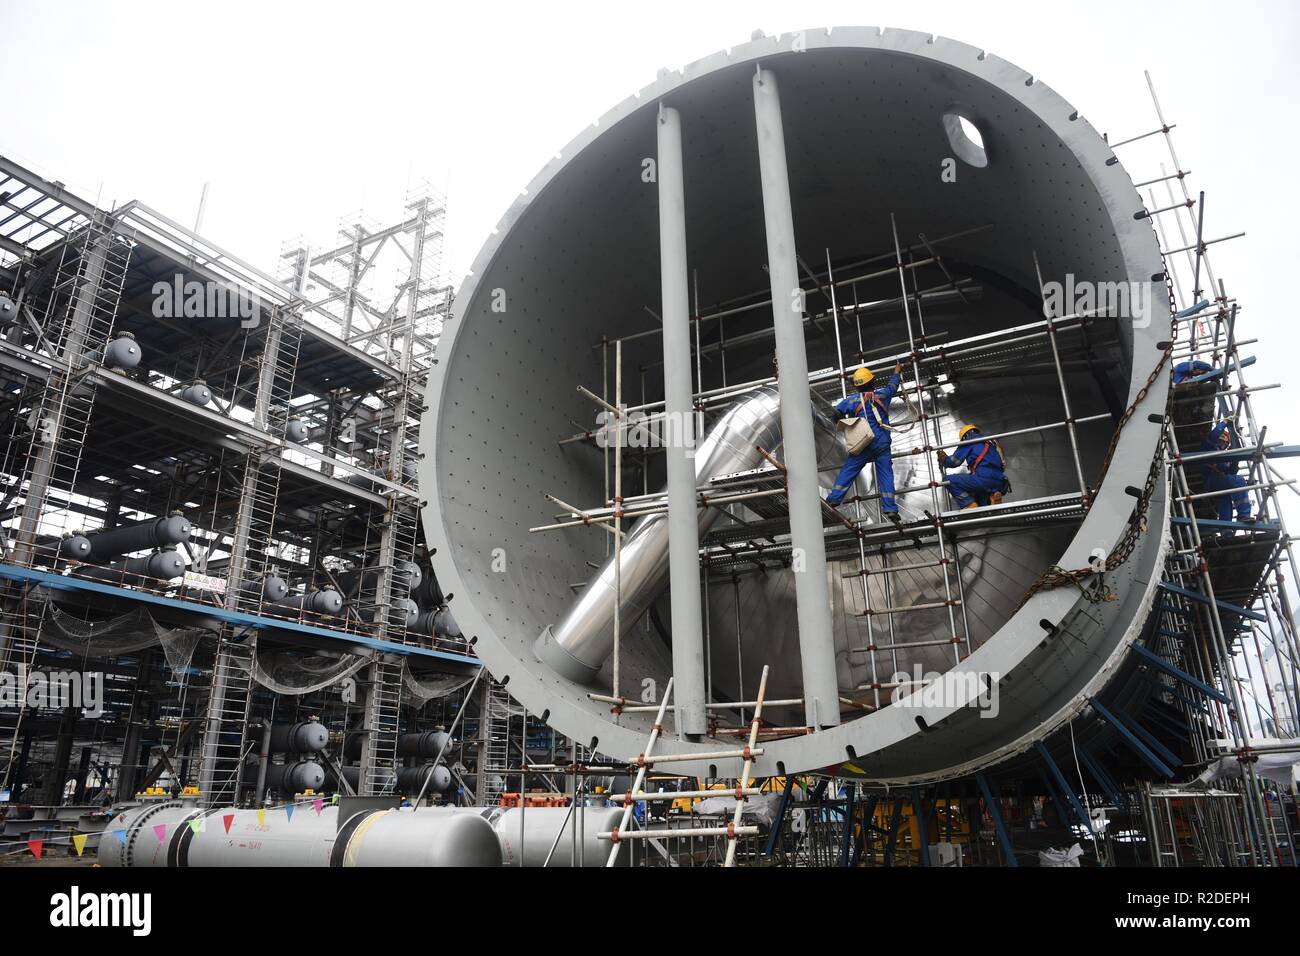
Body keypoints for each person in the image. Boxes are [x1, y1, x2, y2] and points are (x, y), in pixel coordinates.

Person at [827, 361, 903, 520]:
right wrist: (897, 370)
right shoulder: (883, 395)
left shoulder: (851, 400)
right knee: (886, 475)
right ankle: (890, 509)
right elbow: (893, 385)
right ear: (873, 382)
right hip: (881, 443)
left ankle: (834, 499)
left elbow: (835, 415)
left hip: (863, 443)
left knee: (849, 470)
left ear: (856, 386)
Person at [936, 424, 1006, 510]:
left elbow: (954, 462)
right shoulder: (992, 442)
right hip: (1000, 481)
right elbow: (1003, 463)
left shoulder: (968, 440)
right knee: (979, 493)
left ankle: (969, 504)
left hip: (983, 478)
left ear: (964, 436)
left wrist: (944, 460)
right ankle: (993, 499)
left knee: (948, 480)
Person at [1200, 420, 1253, 524]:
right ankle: (1243, 515)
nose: (1222, 443)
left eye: (1225, 442)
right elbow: (1214, 434)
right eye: (1221, 440)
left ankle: (1226, 531)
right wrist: (1225, 422)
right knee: (1239, 481)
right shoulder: (1209, 447)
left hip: (1217, 482)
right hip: (1212, 479)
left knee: (1225, 499)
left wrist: (1234, 462)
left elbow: (1231, 471)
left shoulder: (1226, 457)